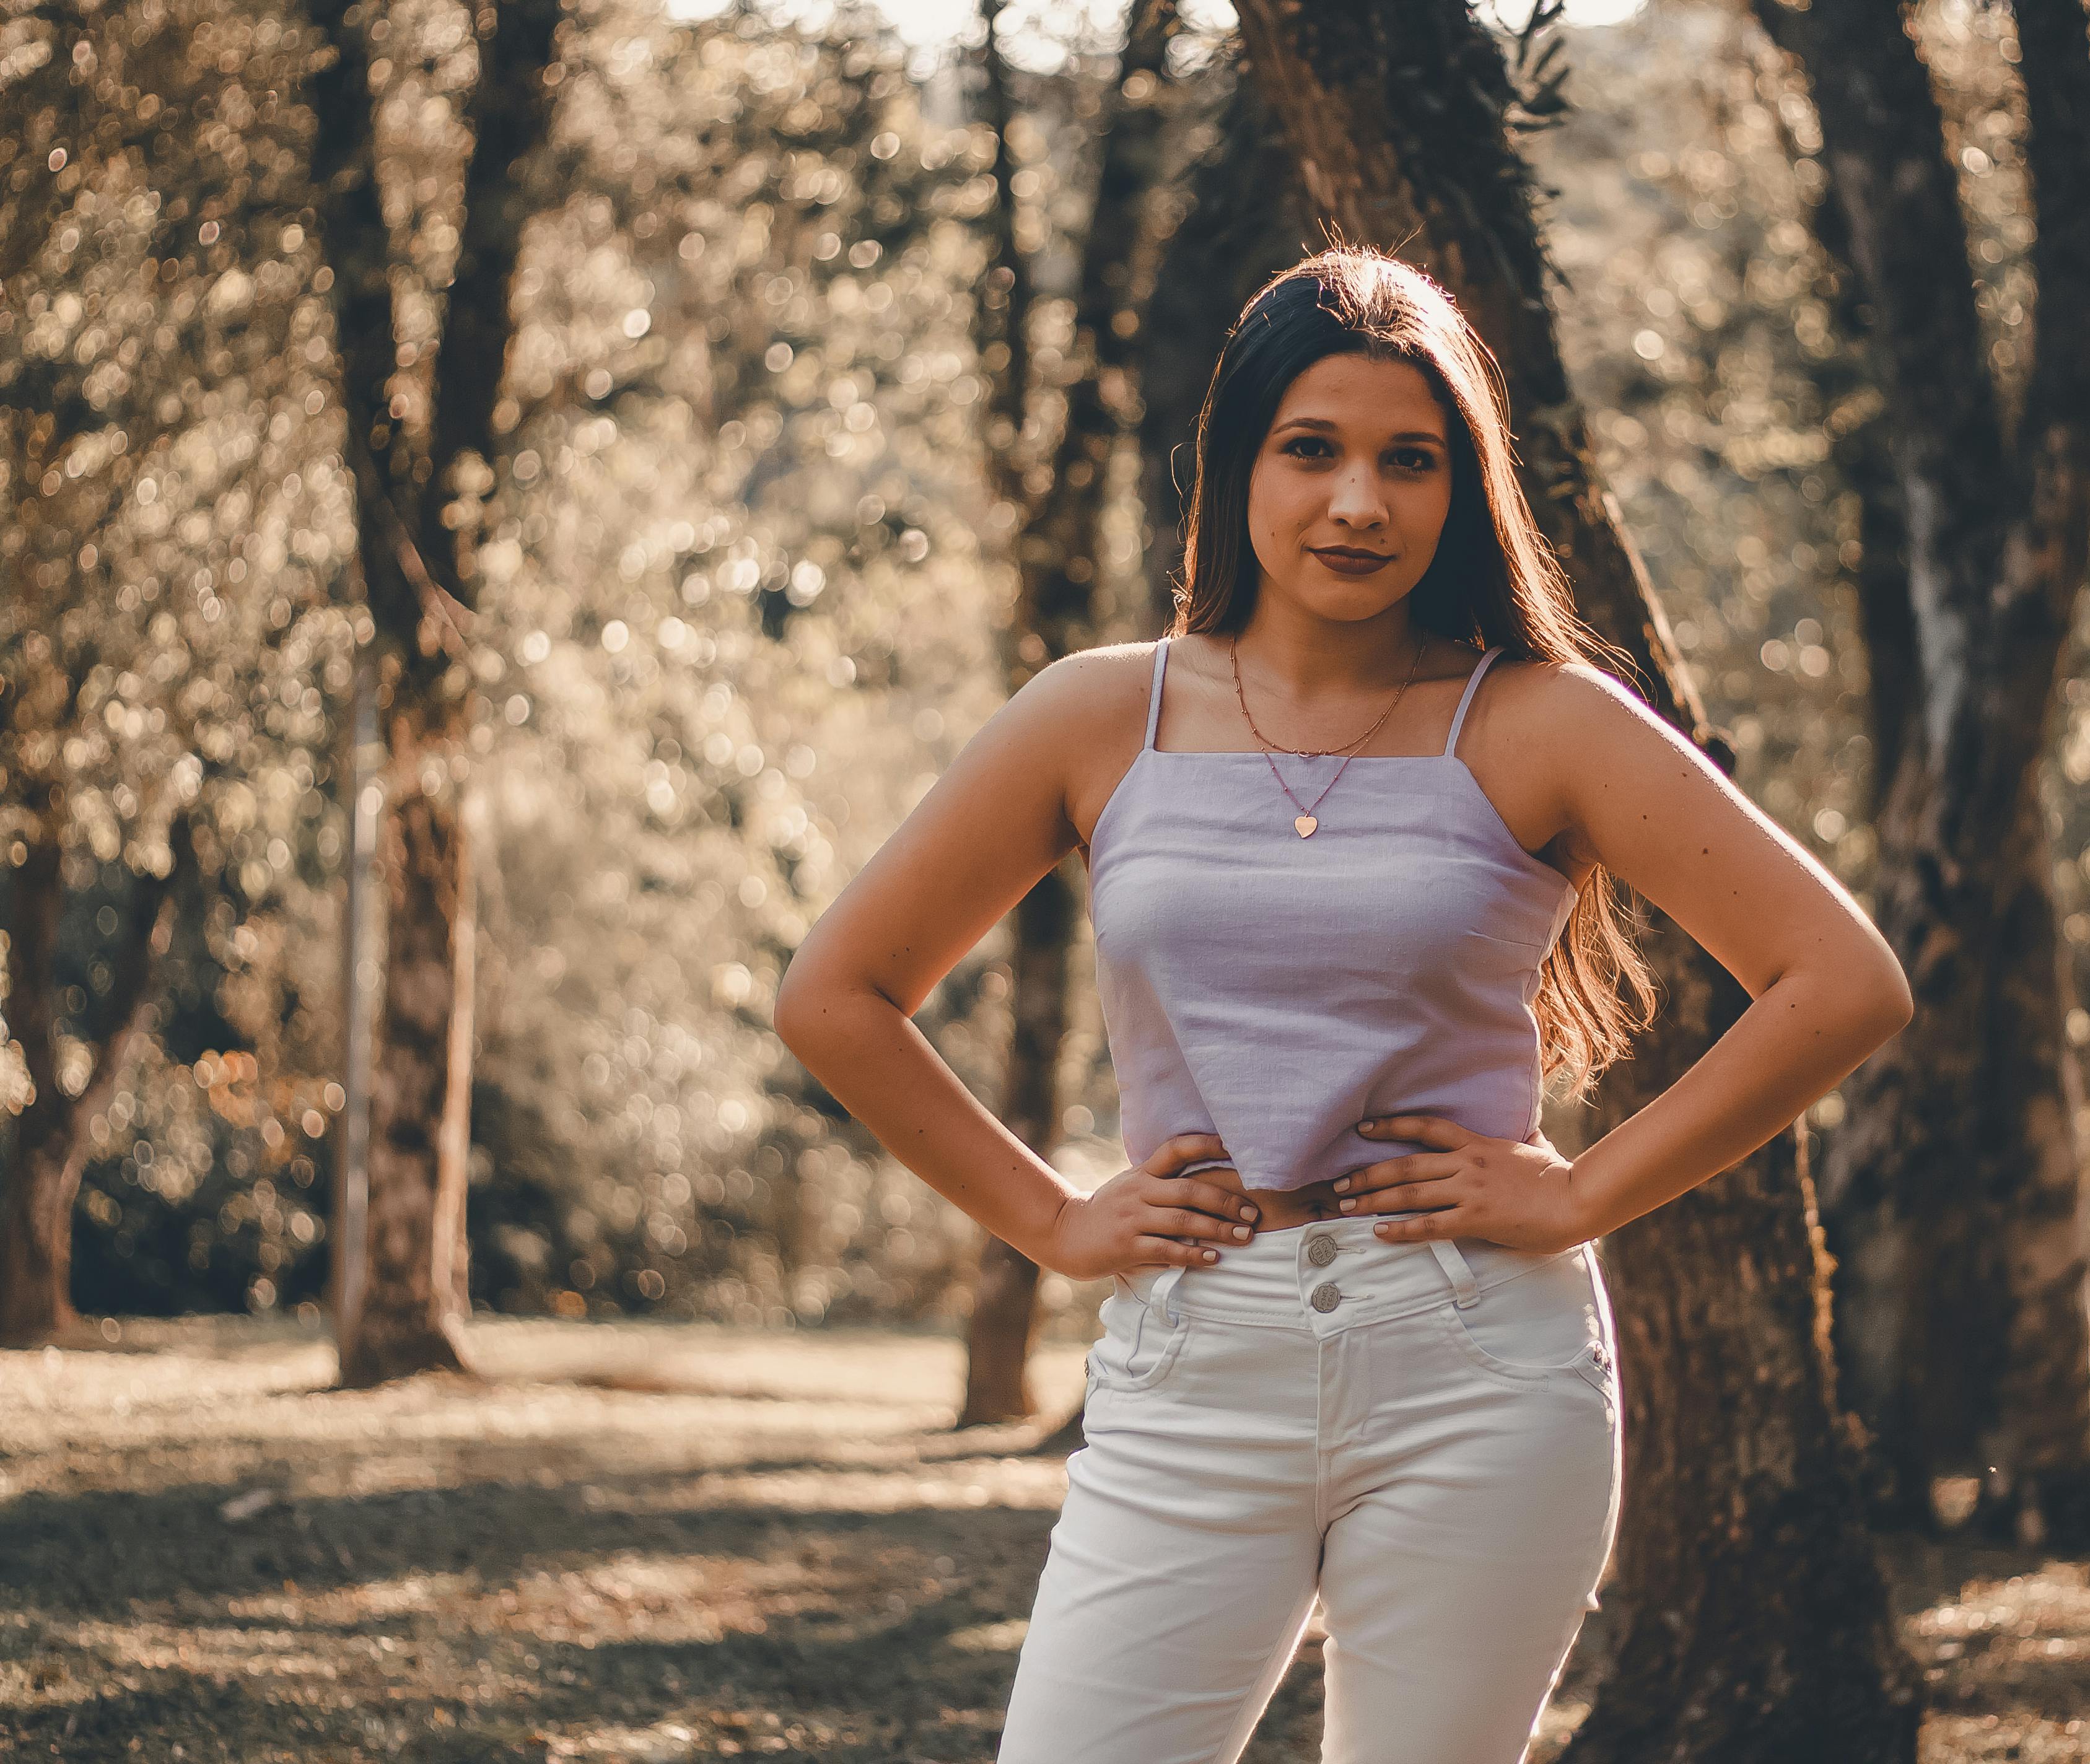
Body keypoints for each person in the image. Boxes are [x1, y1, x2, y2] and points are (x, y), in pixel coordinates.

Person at [774, 248, 1915, 1763]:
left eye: (1411, 460)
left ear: (1465, 487)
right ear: (1236, 465)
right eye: (1310, 449)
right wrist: (1053, 1220)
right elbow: (837, 996)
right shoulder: (1101, 714)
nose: (1359, 502)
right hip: (1195, 1356)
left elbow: (1844, 982)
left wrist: (1582, 1193)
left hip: (1476, 1366)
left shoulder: (1538, 721)